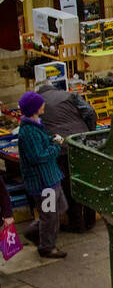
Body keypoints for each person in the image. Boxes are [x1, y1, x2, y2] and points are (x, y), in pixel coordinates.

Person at [34, 81, 97, 231]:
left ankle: (77, 223)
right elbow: (90, 111)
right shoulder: (69, 95)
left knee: (68, 184)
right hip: (80, 143)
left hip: (60, 147)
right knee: (85, 181)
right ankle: (90, 220)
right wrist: (88, 131)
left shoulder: (37, 101)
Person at [17, 90, 68, 259]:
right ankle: (47, 246)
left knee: (59, 208)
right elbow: (37, 157)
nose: (44, 105)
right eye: (41, 103)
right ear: (35, 108)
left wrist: (50, 140)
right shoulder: (29, 132)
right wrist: (56, 147)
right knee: (49, 216)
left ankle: (35, 232)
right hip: (43, 182)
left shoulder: (36, 126)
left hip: (52, 177)